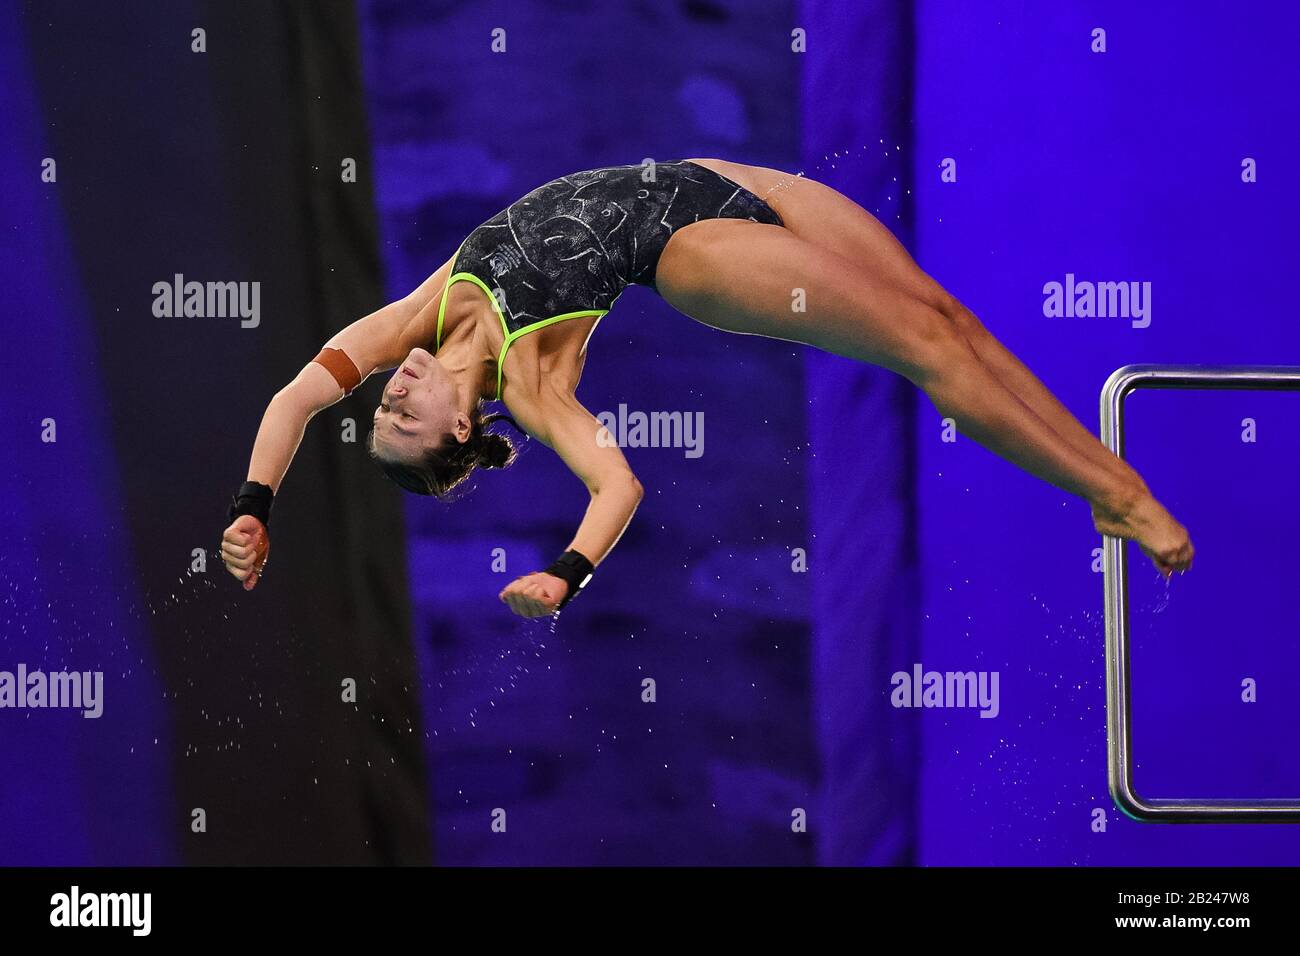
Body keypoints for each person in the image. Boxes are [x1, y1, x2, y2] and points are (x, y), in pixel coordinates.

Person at [220, 158, 1193, 617]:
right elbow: (617, 486)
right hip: (691, 252)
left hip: (712, 179)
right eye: (403, 419)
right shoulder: (526, 387)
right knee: (927, 356)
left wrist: (256, 502)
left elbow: (293, 400)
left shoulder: (411, 319)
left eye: (382, 404)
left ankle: (1107, 478)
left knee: (949, 319)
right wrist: (565, 571)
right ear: (457, 427)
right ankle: (1118, 495)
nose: (389, 396)